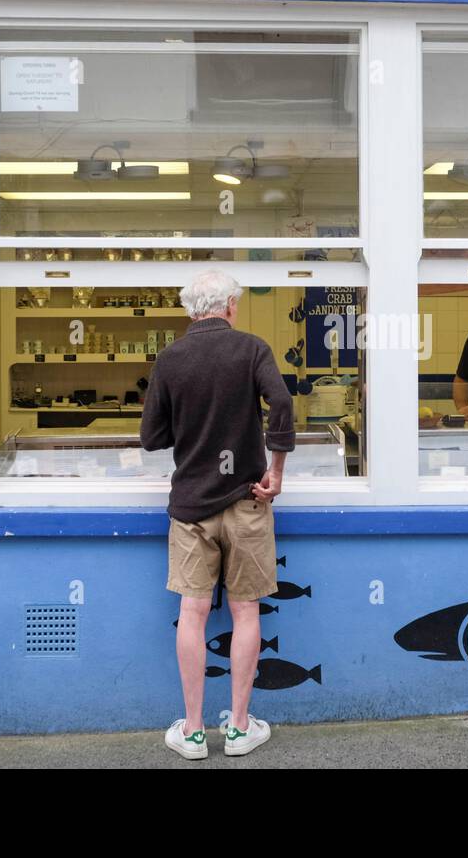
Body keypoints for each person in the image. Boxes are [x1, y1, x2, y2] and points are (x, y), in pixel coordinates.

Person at [140, 269, 295, 760]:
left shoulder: (169, 358)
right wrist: (276, 471)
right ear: (229, 305)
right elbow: (283, 403)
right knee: (246, 610)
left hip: (191, 508)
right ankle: (239, 729)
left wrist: (192, 425)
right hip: (248, 501)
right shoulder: (251, 349)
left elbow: (152, 437)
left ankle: (191, 731)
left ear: (191, 310)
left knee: (192, 612)